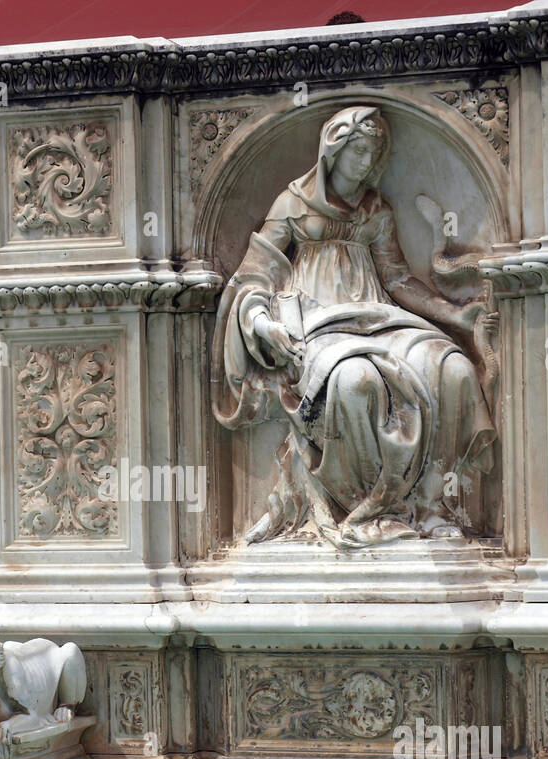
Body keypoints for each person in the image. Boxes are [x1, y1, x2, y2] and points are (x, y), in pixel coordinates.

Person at [212, 106, 495, 548]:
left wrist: (452, 313)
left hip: (379, 316)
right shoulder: (293, 204)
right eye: (358, 150)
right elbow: (255, 273)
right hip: (316, 326)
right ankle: (368, 510)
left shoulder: (375, 211)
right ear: (334, 149)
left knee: (453, 367)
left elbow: (398, 280)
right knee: (353, 379)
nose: (366, 161)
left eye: (374, 152)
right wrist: (260, 321)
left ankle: (431, 505)